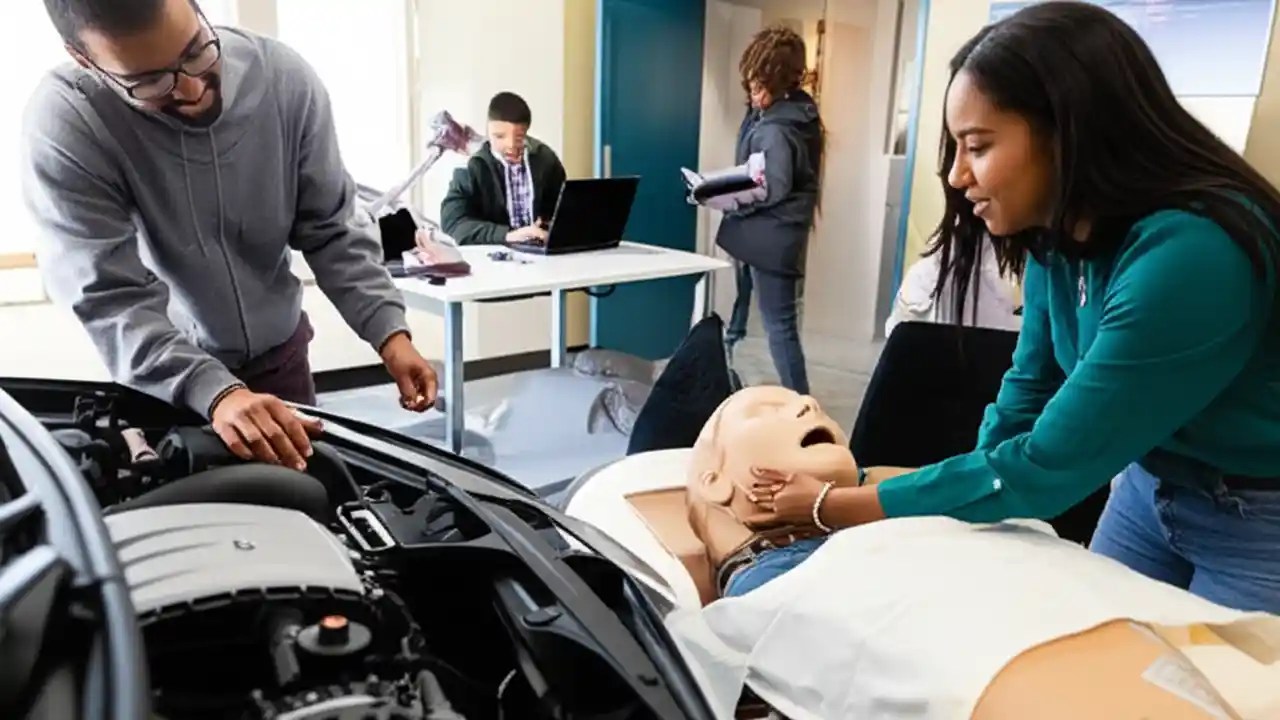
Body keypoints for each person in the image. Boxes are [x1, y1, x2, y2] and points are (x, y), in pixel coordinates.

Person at [745, 1, 1280, 614]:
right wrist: (960, 492)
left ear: (1066, 130)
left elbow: (1043, 468)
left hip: (1259, 518)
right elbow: (1027, 392)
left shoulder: (1192, 256)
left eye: (976, 146)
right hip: (1151, 485)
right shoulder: (1063, 237)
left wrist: (834, 506)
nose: (953, 175)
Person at [21, 0, 439, 472]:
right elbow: (110, 299)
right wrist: (214, 391)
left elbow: (332, 228)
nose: (194, 89)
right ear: (84, 58)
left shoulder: (284, 82)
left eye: (197, 51)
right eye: (151, 82)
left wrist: (389, 331)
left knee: (309, 512)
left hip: (282, 364)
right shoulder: (70, 123)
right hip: (167, 384)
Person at [718, 26, 824, 394]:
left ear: (784, 81)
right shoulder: (791, 112)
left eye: (761, 87)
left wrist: (725, 197)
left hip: (771, 236)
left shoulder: (781, 126)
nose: (754, 95)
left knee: (780, 327)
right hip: (764, 235)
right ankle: (727, 371)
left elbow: (769, 187)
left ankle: (803, 407)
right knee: (748, 313)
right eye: (750, 86)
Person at [440, 91, 567, 246]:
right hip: (493, 257)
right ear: (488, 131)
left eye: (519, 137)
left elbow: (563, 211)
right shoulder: (472, 166)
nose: (511, 146)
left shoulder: (545, 159)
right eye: (499, 136)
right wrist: (508, 235)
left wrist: (548, 226)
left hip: (540, 255)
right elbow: (454, 223)